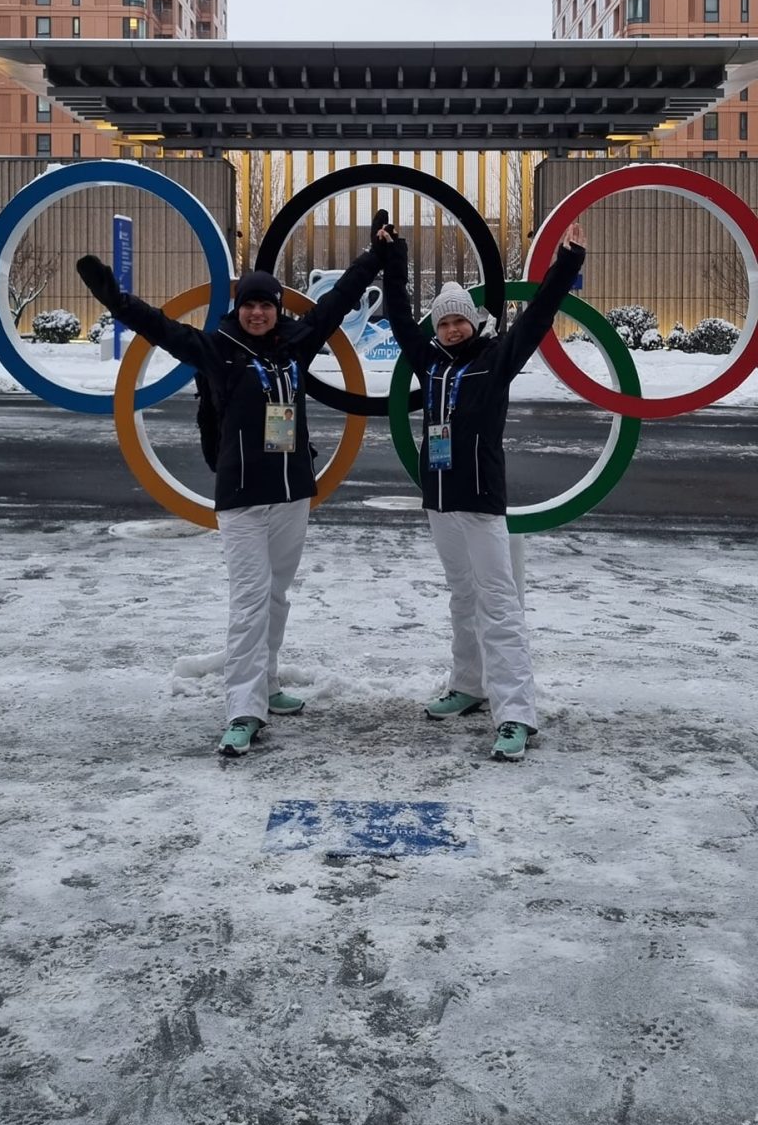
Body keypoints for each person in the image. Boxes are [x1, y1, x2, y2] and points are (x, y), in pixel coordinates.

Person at [77, 214, 391, 757]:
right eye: (249, 304)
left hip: (293, 492)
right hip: (243, 499)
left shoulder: (297, 342)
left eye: (266, 304)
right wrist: (115, 299)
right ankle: (243, 708)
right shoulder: (215, 348)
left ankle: (266, 683)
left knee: (275, 595)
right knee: (248, 601)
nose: (257, 312)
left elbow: (339, 300)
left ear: (277, 308)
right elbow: (159, 327)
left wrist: (374, 258)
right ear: (238, 308)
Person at [381, 218, 586, 762]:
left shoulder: (495, 360)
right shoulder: (428, 363)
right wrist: (395, 255)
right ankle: (469, 685)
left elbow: (538, 317)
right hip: (440, 502)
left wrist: (566, 264)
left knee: (498, 602)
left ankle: (516, 713)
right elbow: (400, 316)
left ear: (473, 325)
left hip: (480, 501)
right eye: (444, 323)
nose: (451, 329)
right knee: (462, 597)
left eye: (459, 322)